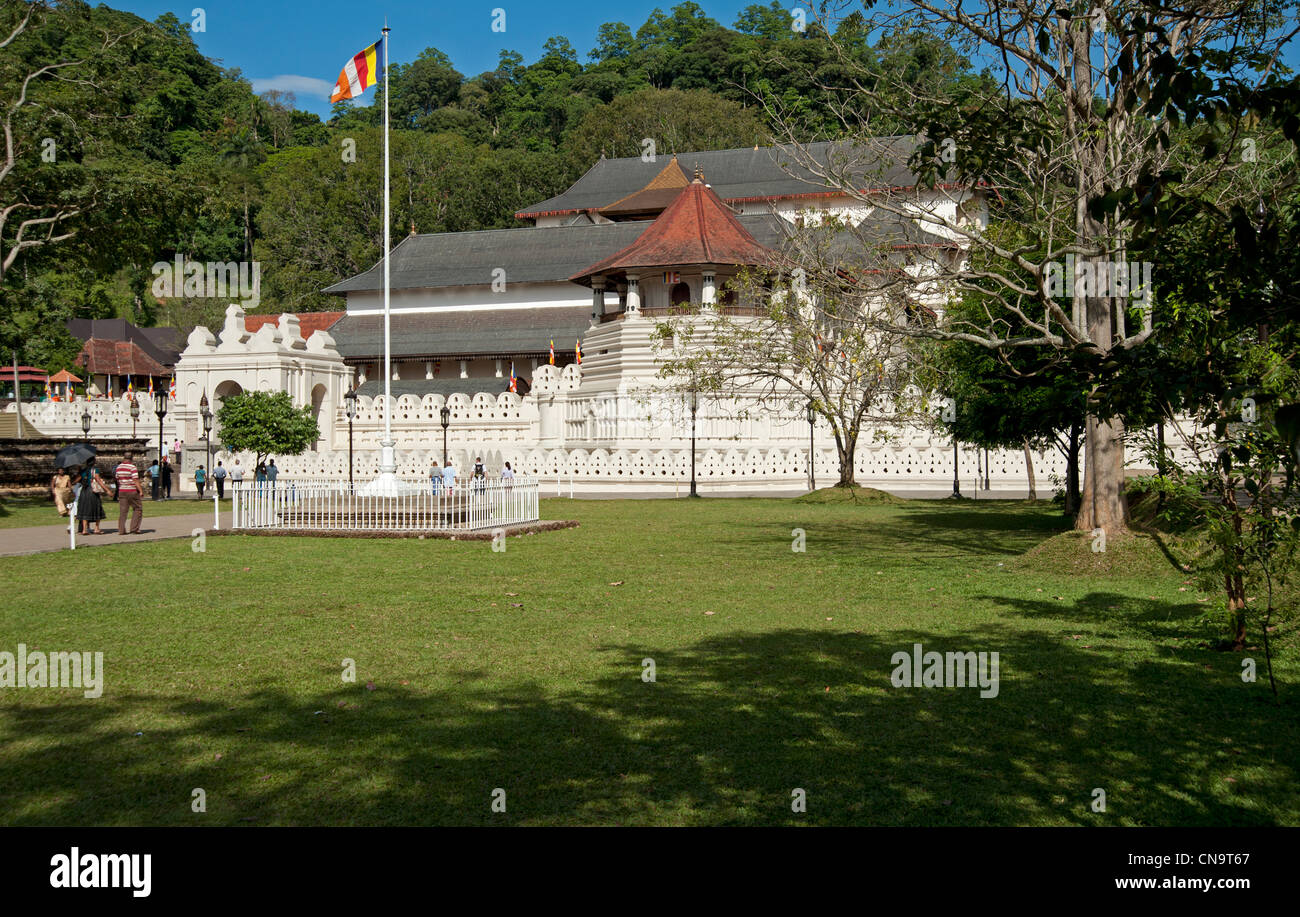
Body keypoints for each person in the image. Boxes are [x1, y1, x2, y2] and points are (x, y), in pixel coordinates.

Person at [76, 459, 108, 535]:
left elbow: (77, 480)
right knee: (97, 509)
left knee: (85, 510)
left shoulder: (83, 471)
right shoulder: (95, 470)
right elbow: (98, 480)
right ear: (93, 462)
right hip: (92, 491)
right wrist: (107, 490)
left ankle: (84, 529)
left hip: (84, 491)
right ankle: (96, 528)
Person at [115, 451, 143, 535]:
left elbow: (117, 478)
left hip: (122, 490)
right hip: (132, 490)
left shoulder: (119, 467)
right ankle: (134, 528)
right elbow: (135, 480)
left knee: (123, 511)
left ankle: (121, 529)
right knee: (137, 508)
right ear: (132, 458)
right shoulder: (132, 467)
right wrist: (140, 490)